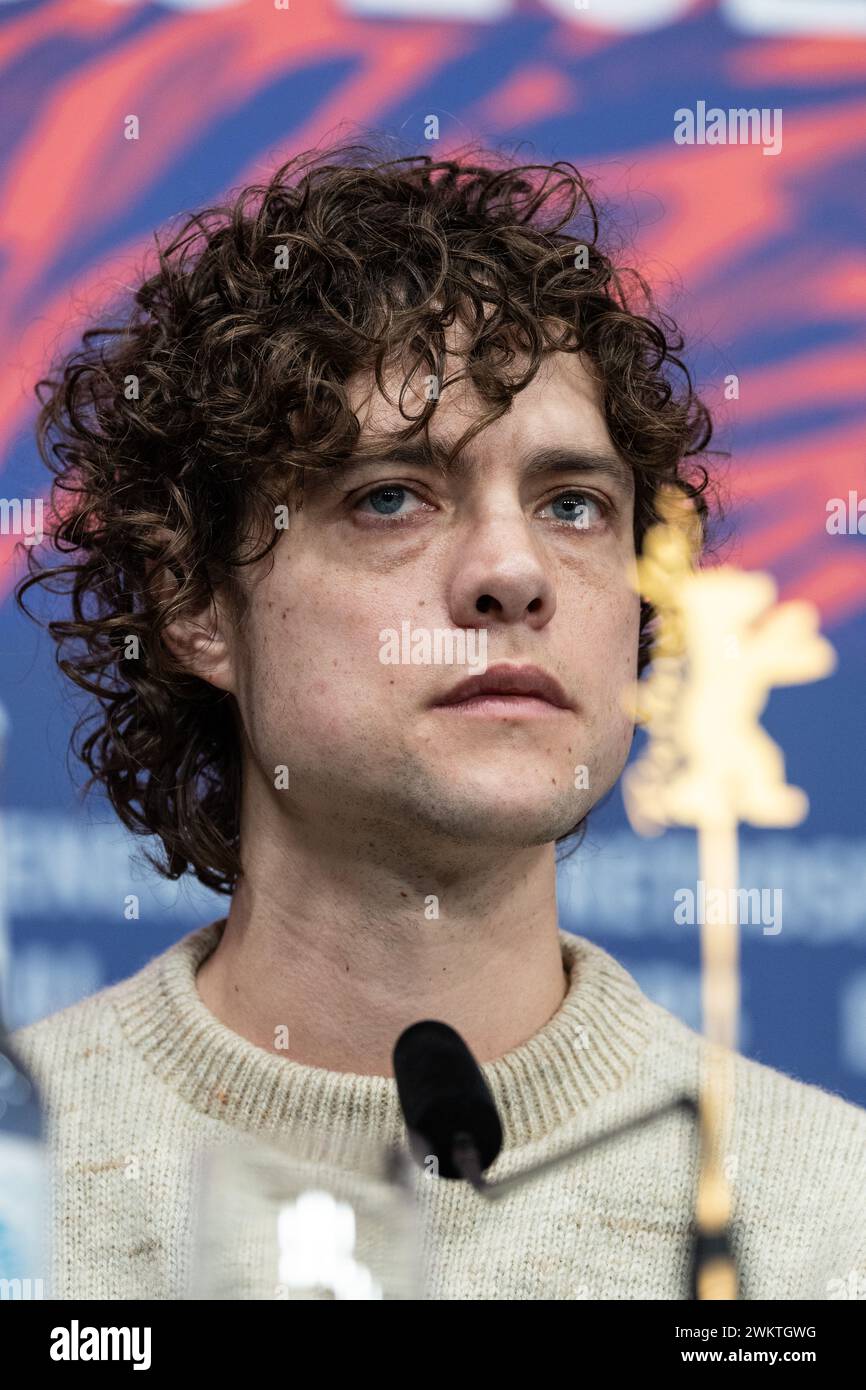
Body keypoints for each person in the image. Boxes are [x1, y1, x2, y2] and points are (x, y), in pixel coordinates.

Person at [11, 142, 866, 1301]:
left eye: (573, 504)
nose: (513, 574)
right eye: (391, 496)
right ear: (197, 603)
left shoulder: (826, 1220)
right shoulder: (27, 1191)